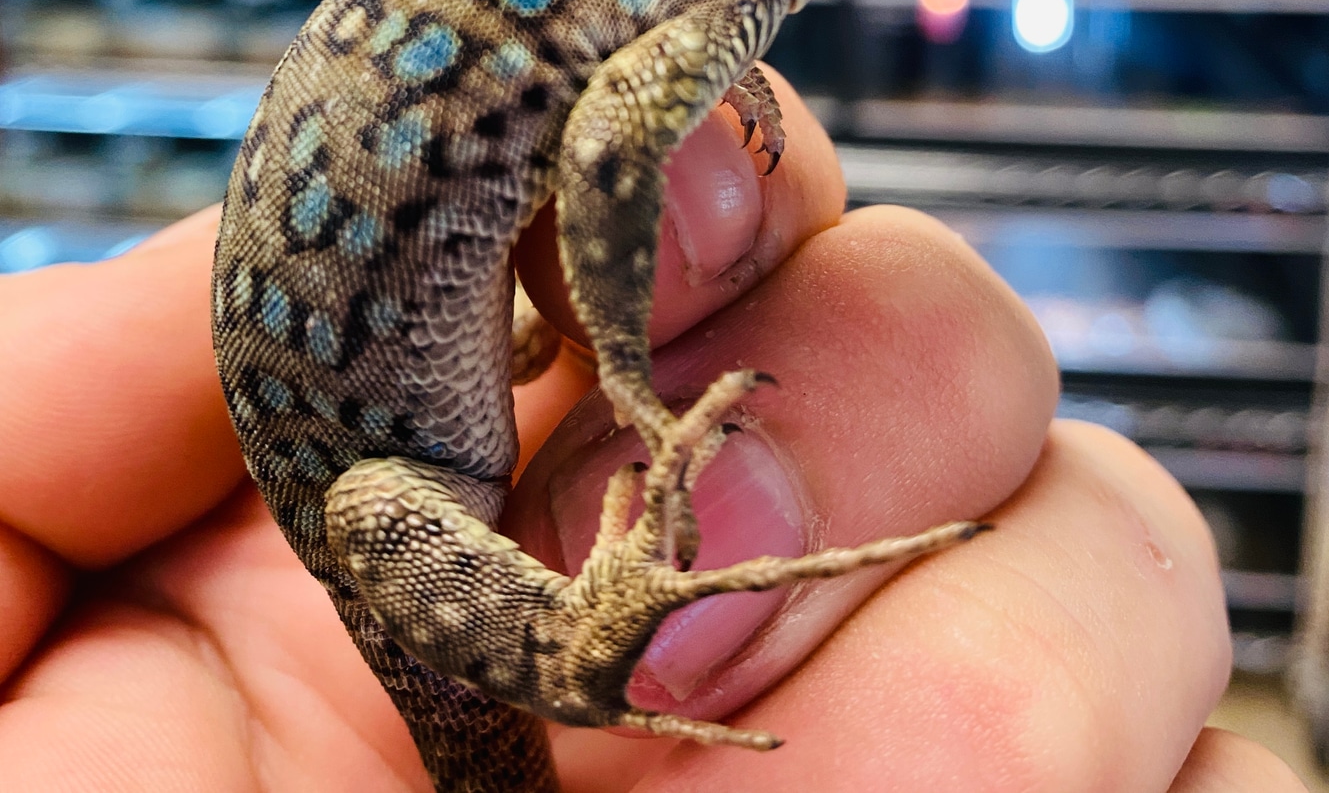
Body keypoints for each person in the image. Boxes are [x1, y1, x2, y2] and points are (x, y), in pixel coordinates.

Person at [0, 71, 1306, 791]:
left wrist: (566, 339)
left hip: (405, 452)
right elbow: (620, 124)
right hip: (377, 499)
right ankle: (587, 636)